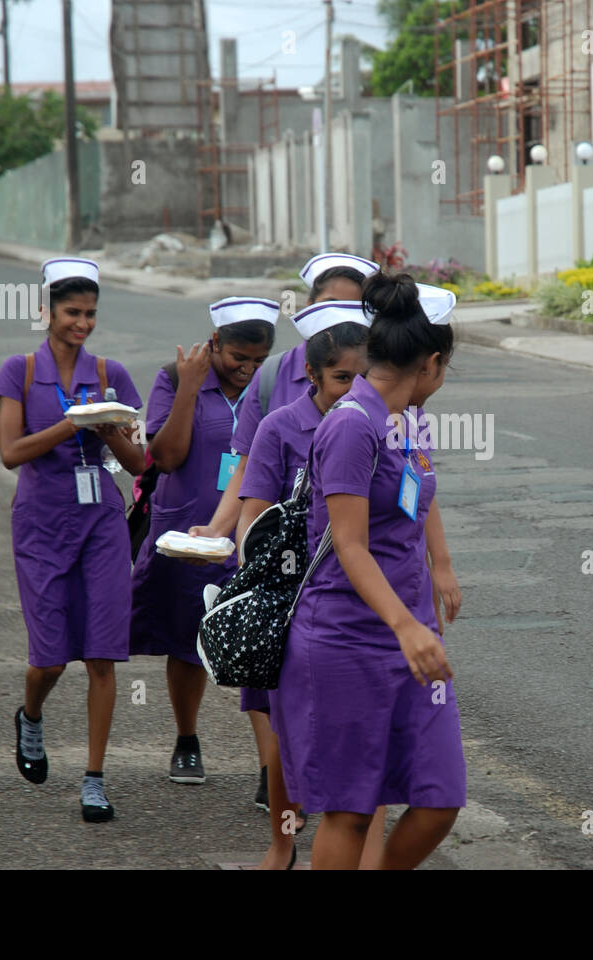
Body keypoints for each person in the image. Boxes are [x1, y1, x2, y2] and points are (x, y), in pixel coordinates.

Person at [271, 272, 465, 869]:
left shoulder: (404, 418)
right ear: (429, 362)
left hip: (407, 637)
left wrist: (440, 570)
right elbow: (351, 546)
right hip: (346, 637)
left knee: (440, 797)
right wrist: (408, 626)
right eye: (445, 369)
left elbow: (418, 500)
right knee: (350, 809)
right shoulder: (352, 424)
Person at [188, 253, 376, 813]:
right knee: (275, 697)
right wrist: (231, 541)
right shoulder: (276, 393)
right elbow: (248, 482)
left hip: (351, 583)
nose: (351, 386)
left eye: (353, 306)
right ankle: (281, 806)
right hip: (289, 582)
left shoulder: (380, 406)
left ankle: (338, 802)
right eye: (329, 303)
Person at [0, 257, 145, 823]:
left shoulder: (111, 374)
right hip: (41, 519)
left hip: (101, 518)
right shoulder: (20, 371)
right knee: (50, 657)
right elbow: (10, 454)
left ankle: (95, 779)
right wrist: (69, 424)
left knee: (102, 653)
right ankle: (31, 716)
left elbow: (137, 462)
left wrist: (108, 431)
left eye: (90, 314)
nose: (82, 323)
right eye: (72, 312)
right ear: (46, 311)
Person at [235, 301, 370, 868]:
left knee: (363, 739)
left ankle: (359, 852)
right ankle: (282, 845)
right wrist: (261, 574)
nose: (351, 388)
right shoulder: (280, 426)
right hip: (289, 605)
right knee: (284, 747)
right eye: (341, 378)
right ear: (311, 375)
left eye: (361, 377)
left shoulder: (375, 424)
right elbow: (251, 517)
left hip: (352, 600)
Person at [129, 297, 277, 784]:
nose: (248, 369)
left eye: (259, 360)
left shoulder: (272, 387)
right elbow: (166, 457)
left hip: (250, 531)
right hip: (188, 532)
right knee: (184, 641)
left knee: (258, 647)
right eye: (239, 358)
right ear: (215, 344)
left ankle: (268, 770)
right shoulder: (174, 377)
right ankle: (187, 739)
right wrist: (190, 389)